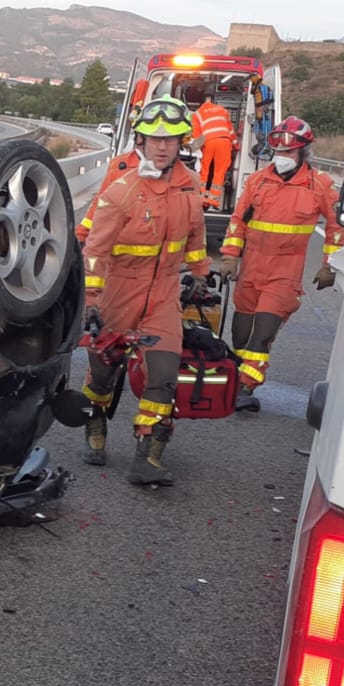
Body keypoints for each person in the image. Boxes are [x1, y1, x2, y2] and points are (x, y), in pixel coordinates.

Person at [79, 96, 211, 485]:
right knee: (104, 375)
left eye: (170, 138)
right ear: (140, 139)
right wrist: (89, 301)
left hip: (165, 293)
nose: (161, 145)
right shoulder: (121, 190)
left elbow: (196, 234)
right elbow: (95, 250)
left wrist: (201, 273)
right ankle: (95, 423)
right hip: (119, 293)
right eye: (154, 138)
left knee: (164, 375)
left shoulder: (190, 186)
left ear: (181, 141)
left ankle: (148, 455)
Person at [218, 116, 344, 412]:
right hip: (251, 268)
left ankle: (246, 387)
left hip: (284, 273)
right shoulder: (258, 181)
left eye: (289, 153)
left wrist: (330, 265)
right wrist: (229, 257)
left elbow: (335, 227)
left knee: (263, 332)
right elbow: (238, 222)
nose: (283, 158)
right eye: (279, 152)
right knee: (240, 332)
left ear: (303, 153)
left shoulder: (320, 186)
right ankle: (238, 376)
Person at [188, 89, 234, 210]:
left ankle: (202, 199)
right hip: (225, 141)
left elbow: (197, 136)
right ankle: (214, 201)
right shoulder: (223, 110)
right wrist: (235, 145)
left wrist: (193, 149)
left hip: (209, 142)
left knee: (205, 170)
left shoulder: (197, 113)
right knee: (220, 171)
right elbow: (230, 130)